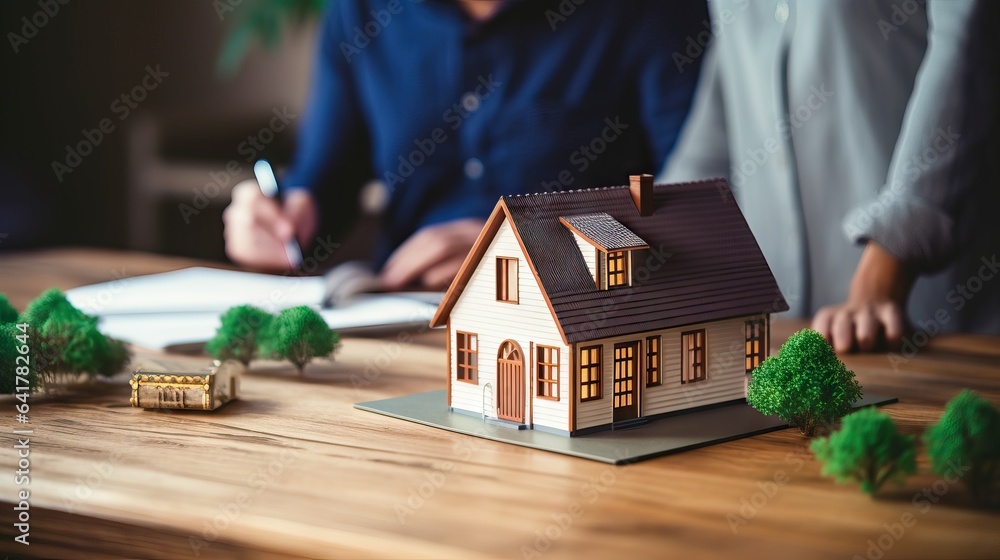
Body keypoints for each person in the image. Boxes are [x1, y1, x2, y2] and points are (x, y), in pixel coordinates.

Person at [225, 0, 707, 290]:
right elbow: (327, 178)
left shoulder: (649, 11)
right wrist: (285, 216)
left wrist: (537, 248)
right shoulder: (362, 10)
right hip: (402, 320)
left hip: (575, 327)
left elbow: (697, 209)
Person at [659, 0, 1000, 353]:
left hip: (932, 323)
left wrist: (889, 262)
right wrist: (650, 231)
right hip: (785, 333)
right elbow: (722, 107)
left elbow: (966, 43)